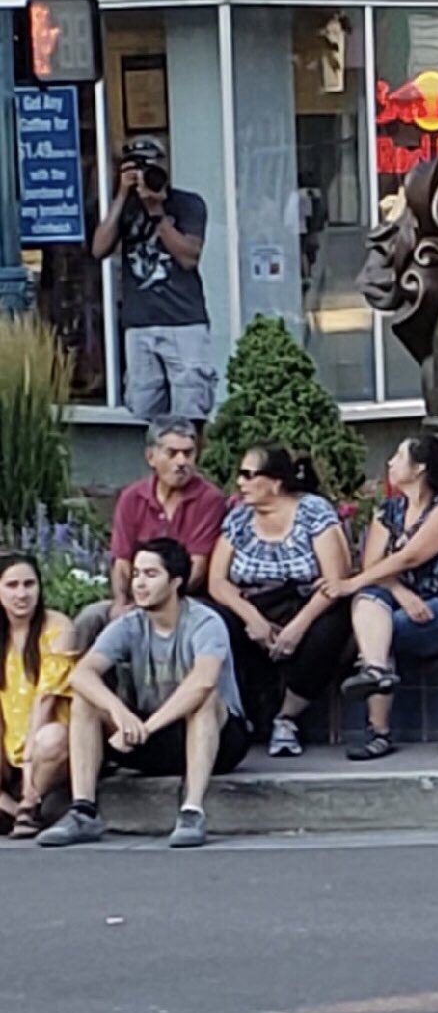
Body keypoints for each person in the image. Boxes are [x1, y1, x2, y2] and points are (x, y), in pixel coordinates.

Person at [39, 538, 248, 850]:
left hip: (215, 739)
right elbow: (81, 673)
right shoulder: (129, 624)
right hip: (145, 735)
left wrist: (146, 728)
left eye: (151, 575)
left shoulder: (205, 622)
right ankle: (83, 810)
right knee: (86, 697)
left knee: (205, 700)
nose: (139, 583)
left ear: (176, 582)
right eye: (136, 574)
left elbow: (203, 681)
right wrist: (121, 714)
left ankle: (192, 811)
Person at [322, 435, 438, 761]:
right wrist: (400, 592)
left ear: (419, 468)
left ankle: (378, 728)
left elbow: (410, 557)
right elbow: (373, 566)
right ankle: (377, 671)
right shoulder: (389, 511)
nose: (390, 463)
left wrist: (349, 585)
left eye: (398, 456)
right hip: (402, 603)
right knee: (372, 604)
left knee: (378, 627)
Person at [208, 445, 352, 757]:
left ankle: (287, 718)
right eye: (240, 475)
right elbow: (217, 581)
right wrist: (252, 618)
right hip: (255, 603)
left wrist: (298, 627)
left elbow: (335, 581)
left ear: (275, 482)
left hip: (305, 602)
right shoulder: (239, 518)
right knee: (210, 619)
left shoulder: (314, 512)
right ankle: (229, 715)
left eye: (249, 475)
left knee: (332, 624)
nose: (241, 483)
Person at [73, 415, 228, 647]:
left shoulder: (209, 499)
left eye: (188, 453)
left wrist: (158, 602)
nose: (181, 462)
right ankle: (75, 681)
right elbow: (122, 560)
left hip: (186, 599)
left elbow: (197, 568)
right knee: (89, 618)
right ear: (151, 457)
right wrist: (121, 601)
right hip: (138, 595)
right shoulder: (132, 497)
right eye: (172, 453)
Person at [91, 137, 215, 425]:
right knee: (143, 413)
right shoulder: (124, 207)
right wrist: (122, 195)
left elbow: (188, 257)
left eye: (153, 164)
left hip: (183, 322)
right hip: (139, 324)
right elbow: (99, 249)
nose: (147, 173)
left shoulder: (187, 204)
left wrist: (156, 212)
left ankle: (190, 467)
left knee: (190, 415)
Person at [0, 553, 74, 839]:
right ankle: (12, 809)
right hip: (8, 744)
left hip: (48, 743)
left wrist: (29, 758)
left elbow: (47, 700)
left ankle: (29, 803)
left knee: (50, 738)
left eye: (29, 584)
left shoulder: (57, 627)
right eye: (12, 585)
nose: (22, 594)